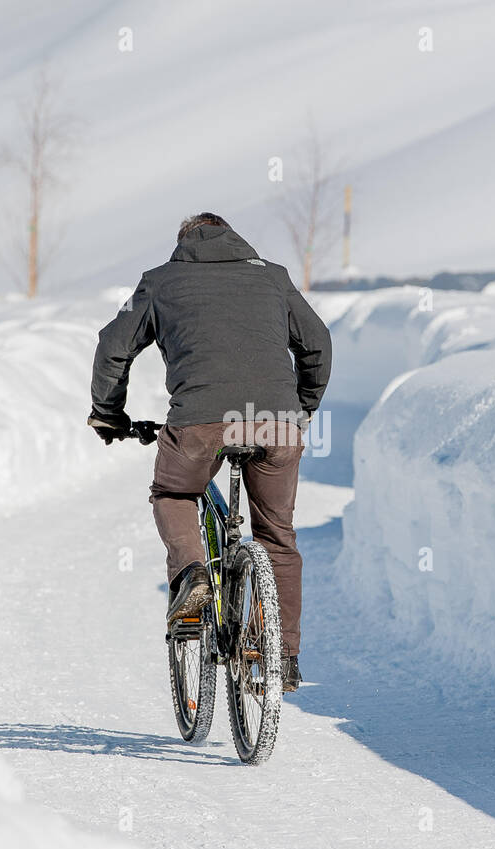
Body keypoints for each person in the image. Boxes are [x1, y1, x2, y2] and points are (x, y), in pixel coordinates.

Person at [88, 213, 332, 692]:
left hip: (200, 422)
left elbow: (112, 346)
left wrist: (109, 414)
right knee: (277, 535)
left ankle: (192, 573)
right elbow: (317, 343)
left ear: (184, 243)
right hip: (277, 425)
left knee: (175, 493)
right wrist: (301, 408)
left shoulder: (160, 281)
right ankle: (284, 656)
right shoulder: (274, 277)